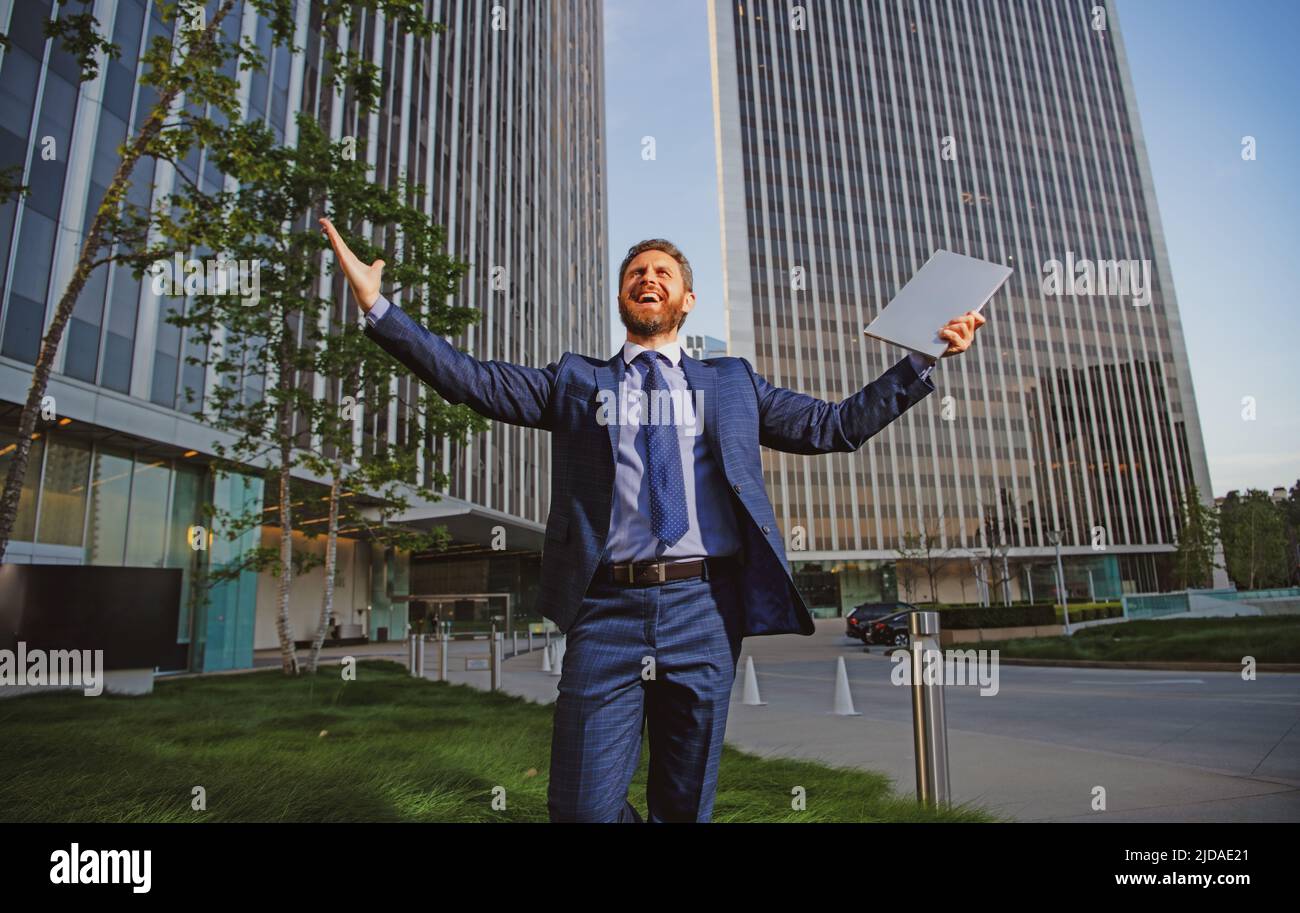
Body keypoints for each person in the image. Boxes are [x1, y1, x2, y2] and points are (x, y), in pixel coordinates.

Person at [320, 220, 985, 821]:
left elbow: (833, 426)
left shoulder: (731, 382)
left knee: (683, 802)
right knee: (580, 808)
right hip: (605, 608)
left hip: (704, 608)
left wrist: (922, 360)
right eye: (636, 272)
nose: (648, 278)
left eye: (663, 271)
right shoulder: (576, 381)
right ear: (622, 298)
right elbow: (470, 379)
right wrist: (378, 307)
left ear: (686, 300)